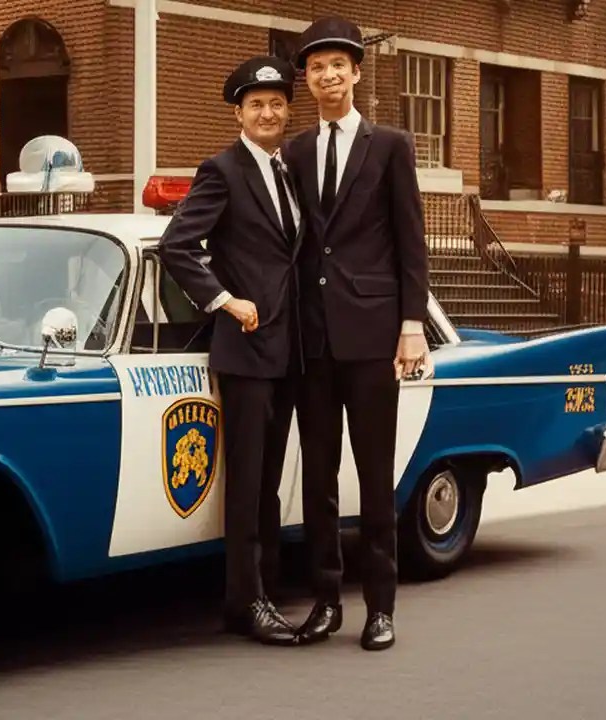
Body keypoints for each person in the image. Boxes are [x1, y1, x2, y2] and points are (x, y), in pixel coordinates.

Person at [281, 16, 430, 651]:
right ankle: (324, 602)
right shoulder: (295, 153)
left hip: (373, 336)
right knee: (318, 477)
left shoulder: (390, 145)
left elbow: (410, 240)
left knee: (373, 475)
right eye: (317, 67)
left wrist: (412, 324)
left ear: (356, 73)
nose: (328, 75)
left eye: (338, 65)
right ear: (308, 80)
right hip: (312, 340)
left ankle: (380, 608)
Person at [158, 55, 304, 646]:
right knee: (245, 480)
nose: (267, 113)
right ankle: (245, 601)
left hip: (290, 349)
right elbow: (177, 245)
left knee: (270, 477)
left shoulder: (290, 171)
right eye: (256, 104)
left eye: (276, 104)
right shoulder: (221, 170)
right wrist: (225, 300)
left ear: (286, 111)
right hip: (245, 349)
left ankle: (267, 586)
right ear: (238, 113)